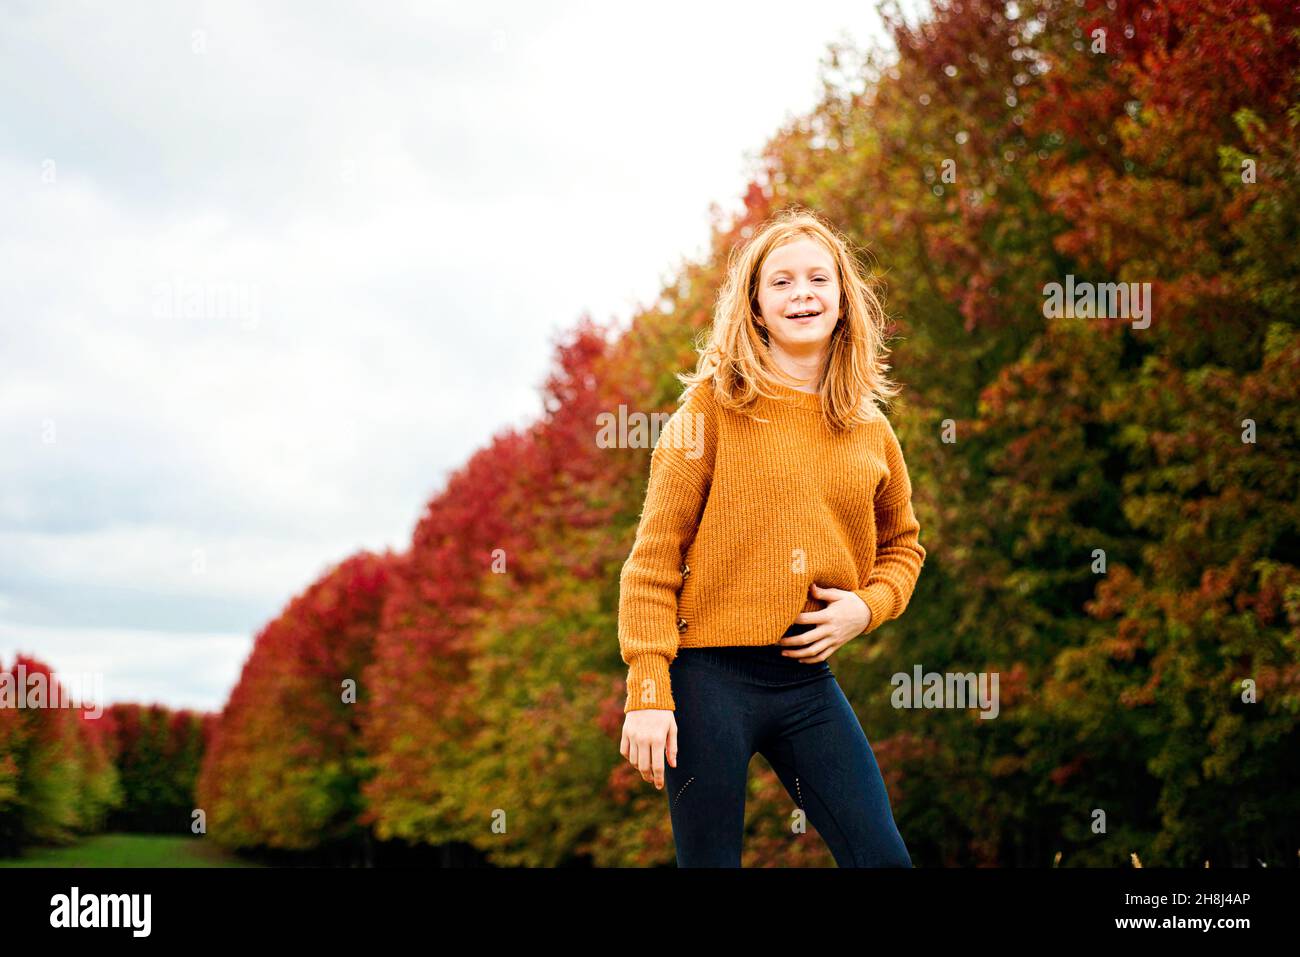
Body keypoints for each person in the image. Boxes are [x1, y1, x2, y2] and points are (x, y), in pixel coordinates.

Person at [616, 207, 924, 867]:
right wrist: (648, 688)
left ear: (844, 302)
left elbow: (904, 546)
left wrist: (866, 606)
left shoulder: (869, 429)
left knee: (884, 858)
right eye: (781, 282)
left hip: (807, 681)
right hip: (705, 681)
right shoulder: (709, 411)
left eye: (818, 278)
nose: (801, 293)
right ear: (756, 306)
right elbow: (653, 561)